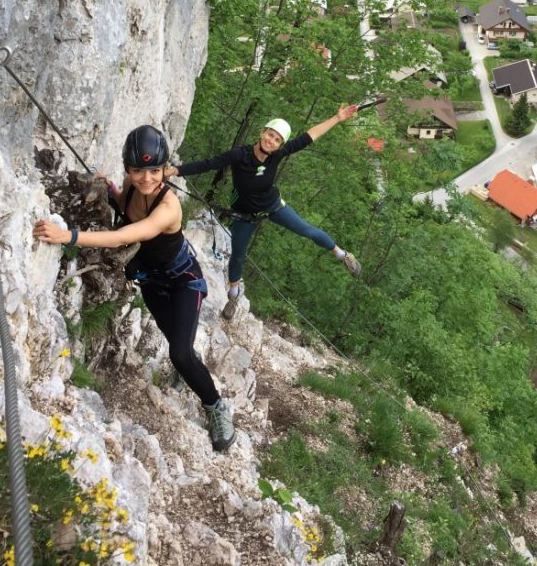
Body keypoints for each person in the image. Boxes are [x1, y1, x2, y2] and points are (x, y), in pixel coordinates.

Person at [33, 125, 236, 452]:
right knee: (176, 342)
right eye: (138, 170)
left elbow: (125, 236)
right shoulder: (129, 186)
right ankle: (189, 367)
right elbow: (122, 202)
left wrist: (68, 236)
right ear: (128, 169)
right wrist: (109, 186)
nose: (147, 178)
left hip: (184, 279)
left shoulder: (168, 206)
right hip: (152, 282)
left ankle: (216, 406)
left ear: (164, 168)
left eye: (155, 170)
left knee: (179, 353)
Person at [166, 105, 361, 320]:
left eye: (277, 140)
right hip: (245, 214)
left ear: (280, 145)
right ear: (262, 132)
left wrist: (337, 118)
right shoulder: (240, 155)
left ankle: (343, 255)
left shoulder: (277, 156)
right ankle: (233, 297)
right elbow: (208, 164)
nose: (272, 141)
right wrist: (176, 170)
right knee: (238, 256)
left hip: (273, 205)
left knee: (308, 231)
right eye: (270, 135)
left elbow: (308, 137)